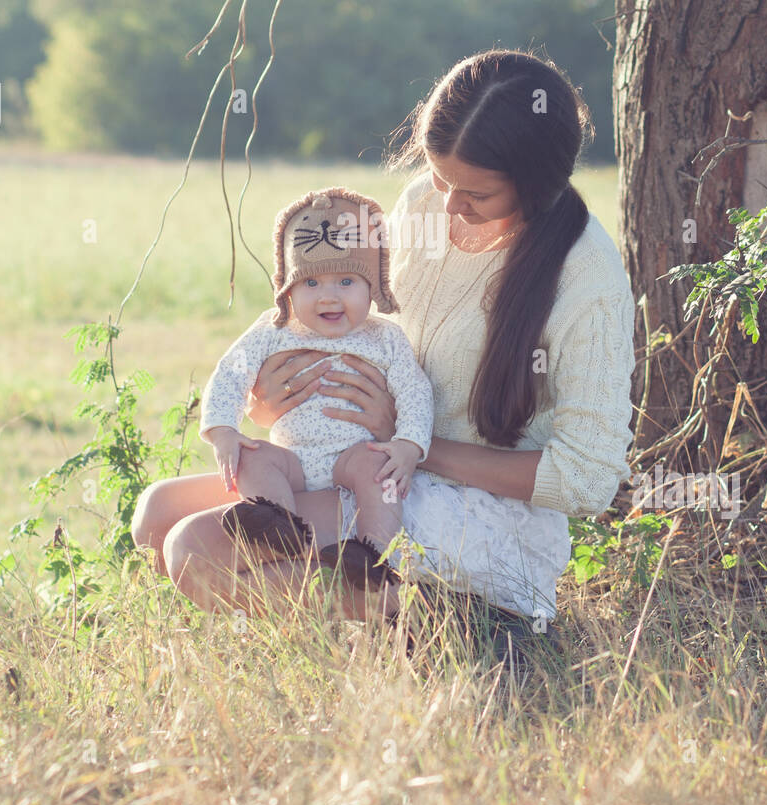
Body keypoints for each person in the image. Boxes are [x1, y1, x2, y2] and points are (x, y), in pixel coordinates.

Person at [132, 48, 636, 627]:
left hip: (475, 501)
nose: (449, 203)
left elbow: (588, 480)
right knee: (155, 516)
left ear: (536, 184)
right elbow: (357, 317)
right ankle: (367, 620)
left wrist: (410, 439)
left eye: (476, 194)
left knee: (197, 550)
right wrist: (274, 400)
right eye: (440, 176)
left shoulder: (586, 281)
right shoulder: (425, 202)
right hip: (367, 459)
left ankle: (422, 618)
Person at [200, 187, 434, 588]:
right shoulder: (273, 331)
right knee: (252, 458)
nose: (328, 296)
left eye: (346, 280)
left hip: (352, 457)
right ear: (287, 289)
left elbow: (415, 391)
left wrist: (409, 444)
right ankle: (279, 529)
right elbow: (230, 373)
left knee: (378, 468)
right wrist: (223, 430)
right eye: (310, 282)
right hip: (292, 463)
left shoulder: (384, 338)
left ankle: (373, 556)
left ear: (373, 288)